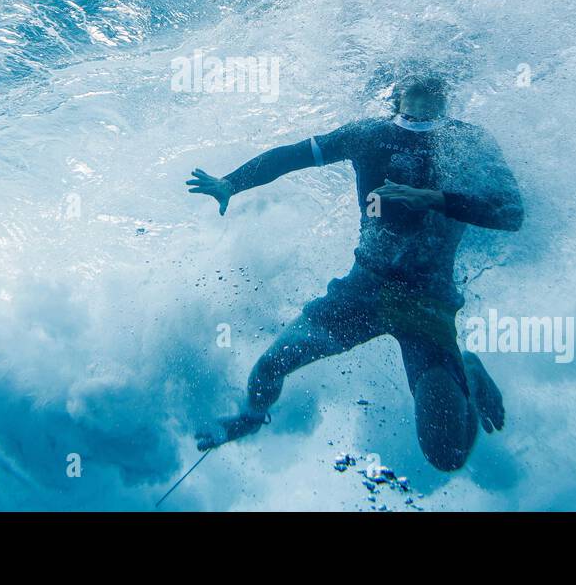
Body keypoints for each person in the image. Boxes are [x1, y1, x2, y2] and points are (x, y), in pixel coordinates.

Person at [186, 70, 523, 471]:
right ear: (396, 88)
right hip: (362, 291)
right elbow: (289, 156)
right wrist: (231, 183)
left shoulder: (469, 141)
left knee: (445, 454)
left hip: (426, 304)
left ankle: (468, 370)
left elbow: (511, 212)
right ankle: (251, 418)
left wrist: (432, 198)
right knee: (267, 370)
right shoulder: (366, 134)